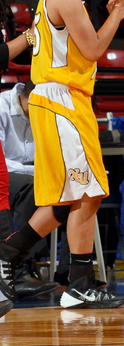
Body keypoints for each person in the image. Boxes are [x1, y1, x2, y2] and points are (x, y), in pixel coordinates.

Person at [0, 0, 124, 309]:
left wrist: (109, 13)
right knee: (88, 192)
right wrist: (119, 12)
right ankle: (78, 282)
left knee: (71, 199)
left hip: (66, 102)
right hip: (60, 102)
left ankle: (11, 257)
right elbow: (94, 50)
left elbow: (83, 48)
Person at [0, 78, 60, 299]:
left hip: (35, 172)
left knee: (73, 191)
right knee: (31, 188)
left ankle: (69, 273)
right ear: (30, 98)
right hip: (9, 172)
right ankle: (21, 266)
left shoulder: (46, 109)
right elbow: (2, 161)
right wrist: (38, 171)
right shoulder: (1, 106)